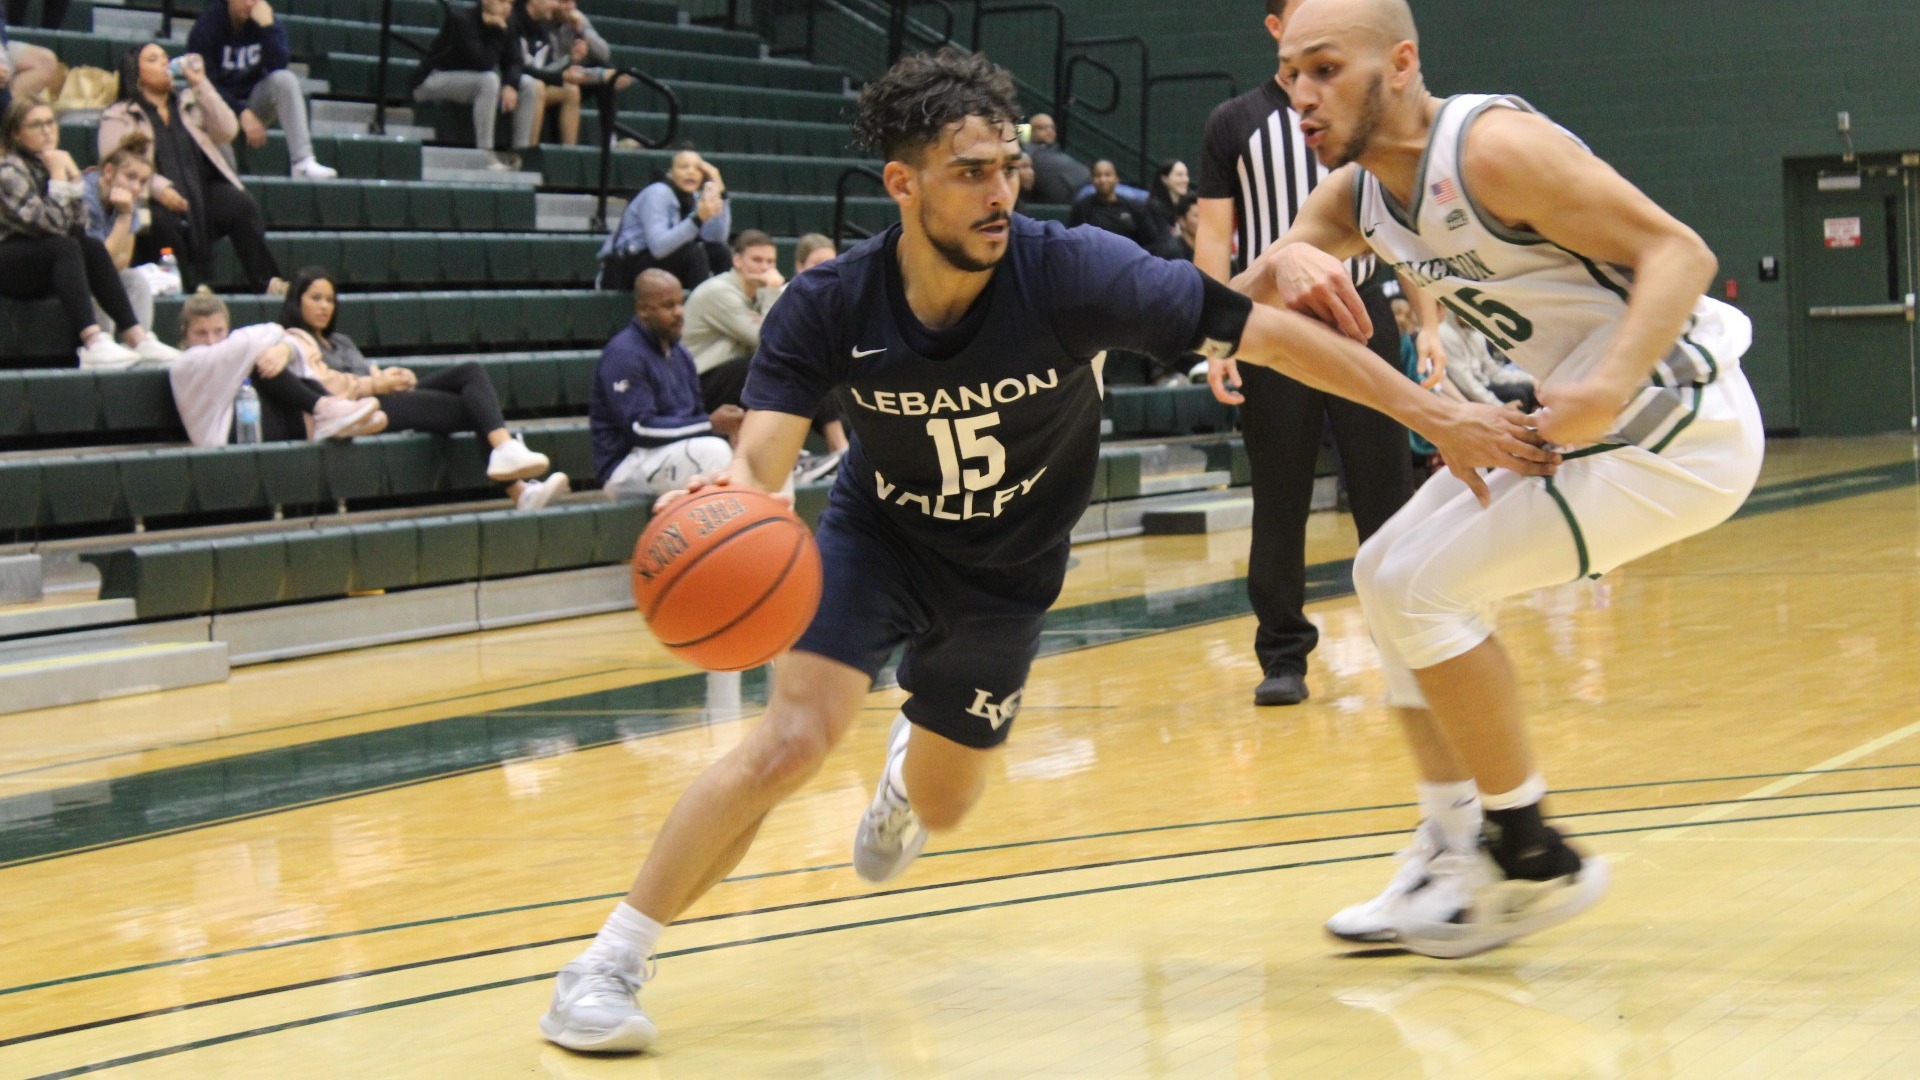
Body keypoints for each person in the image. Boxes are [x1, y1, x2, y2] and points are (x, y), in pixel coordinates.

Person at [536, 47, 1554, 1055]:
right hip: (877, 535)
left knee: (945, 802)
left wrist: (1433, 412)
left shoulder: (1068, 268)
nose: (999, 192)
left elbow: (1263, 334)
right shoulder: (831, 302)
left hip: (1012, 574)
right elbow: (762, 463)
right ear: (902, 183)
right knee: (793, 741)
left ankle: (906, 768)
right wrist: (724, 504)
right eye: (969, 171)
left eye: (1008, 167)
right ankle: (609, 964)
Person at [1249, 0, 1764, 957]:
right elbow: (1263, 284)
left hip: (1675, 426)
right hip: (1550, 423)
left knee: (1425, 586)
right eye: (1288, 76)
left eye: (1323, 70)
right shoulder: (1358, 192)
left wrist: (1604, 388)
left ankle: (1530, 855)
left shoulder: (1491, 149)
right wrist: (1279, 264)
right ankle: (1453, 851)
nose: (1301, 97)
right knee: (1381, 571)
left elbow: (1681, 252)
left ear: (1400, 64)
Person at [1194, 0, 1415, 708]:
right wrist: (1214, 331)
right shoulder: (1233, 122)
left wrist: (1432, 323)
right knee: (1279, 496)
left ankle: (1411, 644)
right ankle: (1283, 656)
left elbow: (1403, 215)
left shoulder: (1362, 108)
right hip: (1268, 326)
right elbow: (1213, 234)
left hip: (1361, 312)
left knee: (1387, 491)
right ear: (1273, 28)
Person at [278, 267, 569, 509]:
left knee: (470, 373)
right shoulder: (296, 342)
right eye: (316, 298)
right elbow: (330, 386)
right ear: (296, 301)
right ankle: (515, 479)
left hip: (383, 399)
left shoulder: (341, 340)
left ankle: (512, 465)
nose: (325, 306)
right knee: (473, 404)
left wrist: (393, 377)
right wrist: (378, 383)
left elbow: (369, 373)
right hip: (361, 413)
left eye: (330, 299)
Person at [0, 101, 180, 368]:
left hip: (41, 256)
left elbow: (78, 224)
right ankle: (93, 341)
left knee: (90, 246)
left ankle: (137, 337)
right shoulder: (8, 172)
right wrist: (62, 175)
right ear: (16, 133)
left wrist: (72, 177)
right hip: (10, 262)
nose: (48, 131)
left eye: (50, 122)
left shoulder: (49, 164)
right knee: (65, 247)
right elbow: (49, 224)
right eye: (37, 125)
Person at [101, 44, 285, 295]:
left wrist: (201, 84)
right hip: (147, 198)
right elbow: (114, 159)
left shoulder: (188, 100)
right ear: (136, 72)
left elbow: (228, 130)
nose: (164, 63)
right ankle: (188, 292)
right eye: (154, 59)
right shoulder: (120, 113)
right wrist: (158, 189)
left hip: (198, 189)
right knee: (162, 221)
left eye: (166, 58)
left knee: (240, 204)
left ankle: (268, 283)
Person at [590, 268, 743, 501]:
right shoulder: (623, 354)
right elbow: (640, 429)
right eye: (668, 306)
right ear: (643, 310)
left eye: (681, 303)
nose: (679, 313)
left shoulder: (680, 353)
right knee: (713, 452)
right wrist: (709, 424)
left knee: (752, 451)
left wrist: (730, 431)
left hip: (673, 454)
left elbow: (695, 414)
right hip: (626, 465)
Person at [172, 287, 378, 445]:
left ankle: (330, 412)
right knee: (261, 362)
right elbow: (264, 335)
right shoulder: (185, 365)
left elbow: (285, 341)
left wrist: (284, 350)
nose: (211, 341)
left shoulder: (228, 358)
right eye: (201, 333)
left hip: (260, 424)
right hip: (228, 437)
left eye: (218, 331)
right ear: (185, 334)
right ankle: (326, 412)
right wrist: (283, 347)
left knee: (267, 362)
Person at [187, 0, 338, 179]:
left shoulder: (266, 20)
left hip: (255, 102)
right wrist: (241, 112)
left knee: (285, 80)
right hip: (218, 109)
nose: (250, 3)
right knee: (202, 101)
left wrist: (268, 28)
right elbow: (206, 84)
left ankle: (302, 162)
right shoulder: (206, 28)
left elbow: (279, 65)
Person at [409, 0, 542, 167]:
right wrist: (498, 31)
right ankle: (485, 155)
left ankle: (519, 156)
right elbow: (482, 62)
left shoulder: (507, 20)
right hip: (432, 80)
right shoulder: (463, 19)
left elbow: (515, 61)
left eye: (511, 3)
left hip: (470, 81)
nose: (507, 7)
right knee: (489, 80)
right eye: (502, 2)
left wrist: (510, 85)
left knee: (527, 85)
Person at [596, 148, 730, 293]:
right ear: (671, 173)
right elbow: (658, 247)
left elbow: (717, 238)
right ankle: (703, 310)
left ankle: (725, 306)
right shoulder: (658, 193)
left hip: (657, 263)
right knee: (694, 253)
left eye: (697, 169)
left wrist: (721, 194)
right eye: (684, 167)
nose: (691, 172)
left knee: (719, 252)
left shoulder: (694, 198)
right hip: (623, 268)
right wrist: (697, 219)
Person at [80, 132, 161, 336]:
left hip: (98, 273)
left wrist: (126, 213)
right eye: (130, 177)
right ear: (108, 171)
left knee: (136, 281)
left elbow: (124, 259)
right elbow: (99, 264)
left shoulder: (127, 201)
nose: (135, 188)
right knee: (101, 286)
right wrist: (125, 217)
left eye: (142, 182)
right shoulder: (84, 195)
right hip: (75, 278)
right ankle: (102, 346)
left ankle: (141, 345)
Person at [511, 0, 581, 147]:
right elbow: (518, 67)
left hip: (535, 83)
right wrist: (561, 76)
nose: (555, 5)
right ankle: (530, 153)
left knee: (571, 91)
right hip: (512, 84)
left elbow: (546, 69)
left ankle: (569, 154)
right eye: (552, 0)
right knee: (538, 87)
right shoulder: (513, 21)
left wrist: (570, 60)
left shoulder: (543, 27)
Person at [1068, 159, 1154, 249]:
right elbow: (1074, 240)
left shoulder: (1135, 207)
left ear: (1116, 178)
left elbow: (1150, 240)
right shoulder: (1082, 207)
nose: (1103, 180)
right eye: (1097, 175)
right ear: (1092, 180)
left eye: (1107, 175)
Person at [1021, 111, 1089, 204]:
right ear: (1031, 131)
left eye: (1052, 127)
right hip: (1074, 197)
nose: (1049, 131)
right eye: (1043, 128)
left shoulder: (1056, 150)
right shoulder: (1027, 153)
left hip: (1086, 189)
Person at [1143, 158, 1190, 256]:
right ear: (1165, 179)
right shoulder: (1154, 207)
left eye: (1186, 175)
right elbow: (1162, 242)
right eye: (1179, 175)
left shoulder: (1186, 206)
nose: (1185, 179)